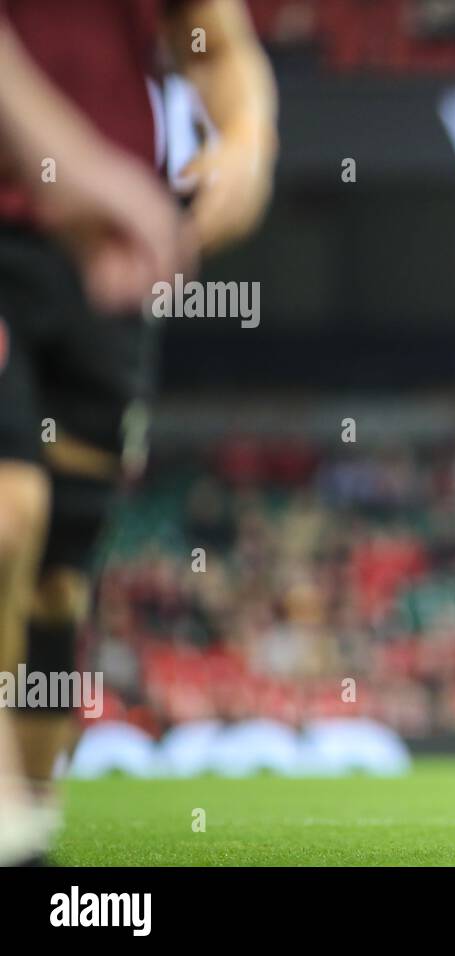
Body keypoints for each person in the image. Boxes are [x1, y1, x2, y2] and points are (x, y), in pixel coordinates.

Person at [0, 0, 276, 864]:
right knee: (9, 509)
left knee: (57, 582)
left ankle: (30, 828)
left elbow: (216, 42)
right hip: (54, 212)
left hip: (104, 259)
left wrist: (246, 141)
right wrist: (76, 168)